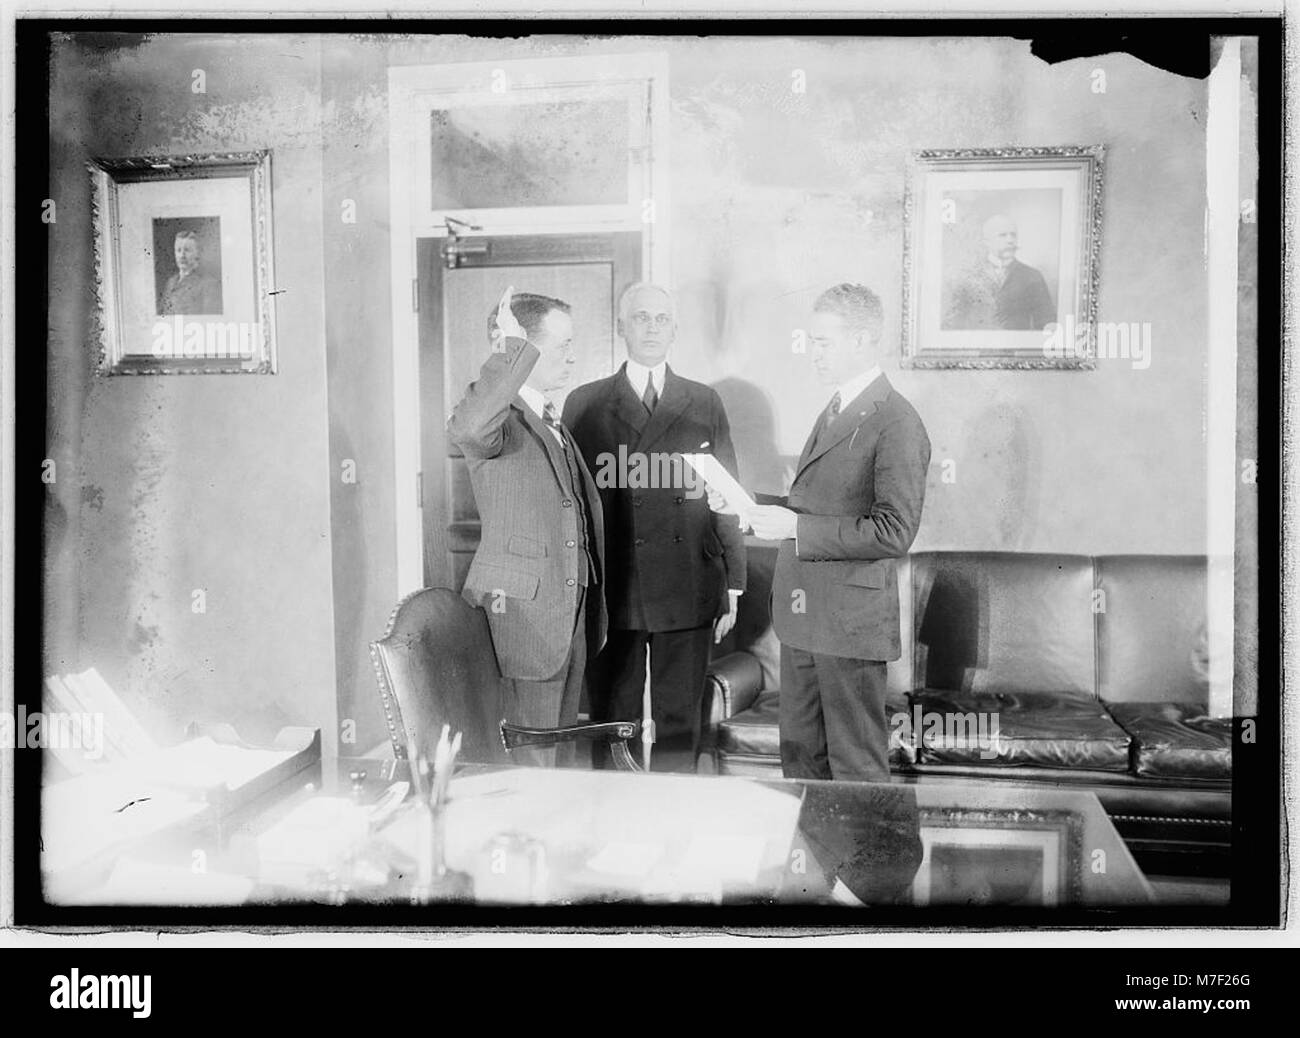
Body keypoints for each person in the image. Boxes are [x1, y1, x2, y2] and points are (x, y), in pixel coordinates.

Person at [737, 283, 930, 783]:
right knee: (801, 761)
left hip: (848, 626)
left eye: (823, 341)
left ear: (864, 339)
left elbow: (894, 530)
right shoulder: (837, 408)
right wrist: (748, 505)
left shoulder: (897, 422)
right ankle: (812, 863)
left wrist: (797, 529)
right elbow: (817, 506)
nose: (812, 352)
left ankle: (867, 866)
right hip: (806, 619)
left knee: (856, 766)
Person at [564, 282, 745, 772]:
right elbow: (572, 506)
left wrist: (733, 582)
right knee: (612, 721)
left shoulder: (704, 402)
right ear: (621, 326)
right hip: (613, 588)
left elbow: (725, 496)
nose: (650, 327)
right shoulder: (585, 403)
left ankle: (674, 824)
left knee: (679, 722)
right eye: (639, 317)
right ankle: (614, 824)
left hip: (688, 581)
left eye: (660, 318)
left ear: (675, 330)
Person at [448, 287, 606, 767]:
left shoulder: (548, 416)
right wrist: (508, 349)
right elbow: (468, 430)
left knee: (553, 759)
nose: (573, 357)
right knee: (529, 767)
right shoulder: (498, 418)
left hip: (565, 618)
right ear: (523, 349)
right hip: (522, 620)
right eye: (562, 346)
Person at [942, 214, 1054, 331]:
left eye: (1013, 235)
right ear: (986, 242)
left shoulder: (1032, 276)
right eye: (1003, 235)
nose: (1010, 240)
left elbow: (1046, 321)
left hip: (1017, 346)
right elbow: (954, 321)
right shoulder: (969, 276)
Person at [159, 229, 221, 315]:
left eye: (187, 250)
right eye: (178, 250)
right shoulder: (171, 282)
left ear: (198, 253)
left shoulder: (209, 284)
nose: (182, 256)